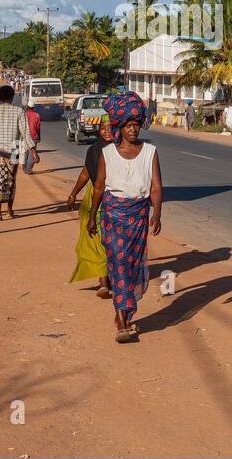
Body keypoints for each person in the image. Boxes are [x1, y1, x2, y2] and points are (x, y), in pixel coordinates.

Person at [86, 91, 163, 344]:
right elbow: (98, 186)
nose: (133, 129)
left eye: (136, 125)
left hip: (139, 215)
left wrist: (157, 214)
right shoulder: (108, 153)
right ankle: (122, 321)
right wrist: (92, 216)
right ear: (120, 127)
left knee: (130, 266)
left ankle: (126, 313)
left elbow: (156, 187)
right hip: (112, 215)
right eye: (128, 125)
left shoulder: (150, 151)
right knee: (118, 265)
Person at [66, 114, 115, 297]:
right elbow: (86, 172)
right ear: (98, 131)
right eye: (103, 128)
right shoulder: (94, 150)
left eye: (111, 127)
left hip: (115, 201)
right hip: (94, 199)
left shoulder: (123, 149)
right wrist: (73, 194)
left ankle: (111, 277)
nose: (107, 131)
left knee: (112, 242)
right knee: (97, 241)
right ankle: (104, 282)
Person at [0, 85, 34, 219]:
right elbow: (25, 132)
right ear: (12, 97)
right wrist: (33, 150)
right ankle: (10, 211)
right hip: (14, 147)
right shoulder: (19, 111)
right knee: (11, 180)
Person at [23, 101, 42, 174]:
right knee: (32, 153)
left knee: (25, 152)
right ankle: (28, 169)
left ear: (27, 107)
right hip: (33, 136)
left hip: (24, 136)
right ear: (34, 107)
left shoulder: (23, 115)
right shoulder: (37, 115)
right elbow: (38, 127)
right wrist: (39, 137)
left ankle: (25, 168)